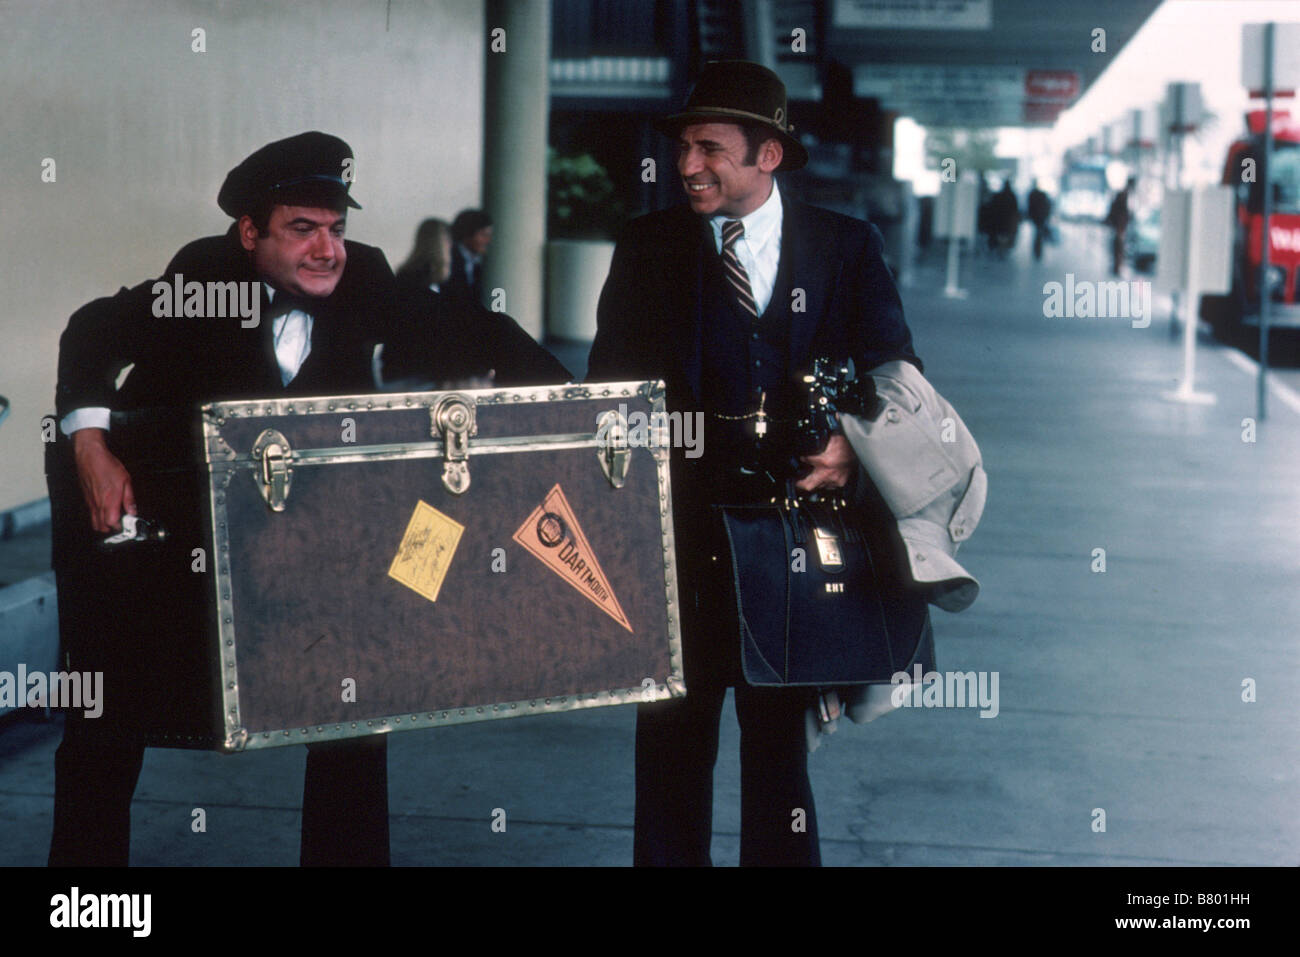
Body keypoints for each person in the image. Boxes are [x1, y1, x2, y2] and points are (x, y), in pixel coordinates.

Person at [49, 131, 568, 867]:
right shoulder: (203, 274)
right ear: (250, 232)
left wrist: (574, 412)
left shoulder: (367, 278)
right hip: (173, 546)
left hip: (315, 551)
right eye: (302, 229)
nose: (327, 249)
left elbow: (479, 331)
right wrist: (90, 443)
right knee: (106, 726)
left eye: (336, 229)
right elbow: (93, 330)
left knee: (355, 717)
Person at [587, 61, 924, 866]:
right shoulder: (648, 246)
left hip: (792, 549)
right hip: (676, 546)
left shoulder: (845, 247)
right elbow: (606, 388)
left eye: (711, 148)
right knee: (669, 751)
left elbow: (897, 369)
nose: (687, 165)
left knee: (779, 758)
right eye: (683, 148)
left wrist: (853, 442)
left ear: (768, 155)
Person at [446, 208, 494, 307]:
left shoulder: (481, 263)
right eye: (483, 235)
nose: (488, 240)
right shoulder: (448, 261)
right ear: (467, 234)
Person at [1104, 177, 1135, 277]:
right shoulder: (1124, 195)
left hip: (1120, 225)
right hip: (1120, 225)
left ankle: (1117, 267)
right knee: (1119, 246)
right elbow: (1121, 212)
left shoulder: (1124, 194)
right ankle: (1117, 268)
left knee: (1119, 246)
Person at [1026, 181, 1052, 261]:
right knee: (1038, 233)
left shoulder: (1032, 194)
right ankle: (1038, 251)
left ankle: (1037, 251)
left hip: (1036, 217)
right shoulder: (1042, 195)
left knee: (1037, 233)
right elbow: (1047, 206)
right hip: (1041, 217)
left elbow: (1030, 206)